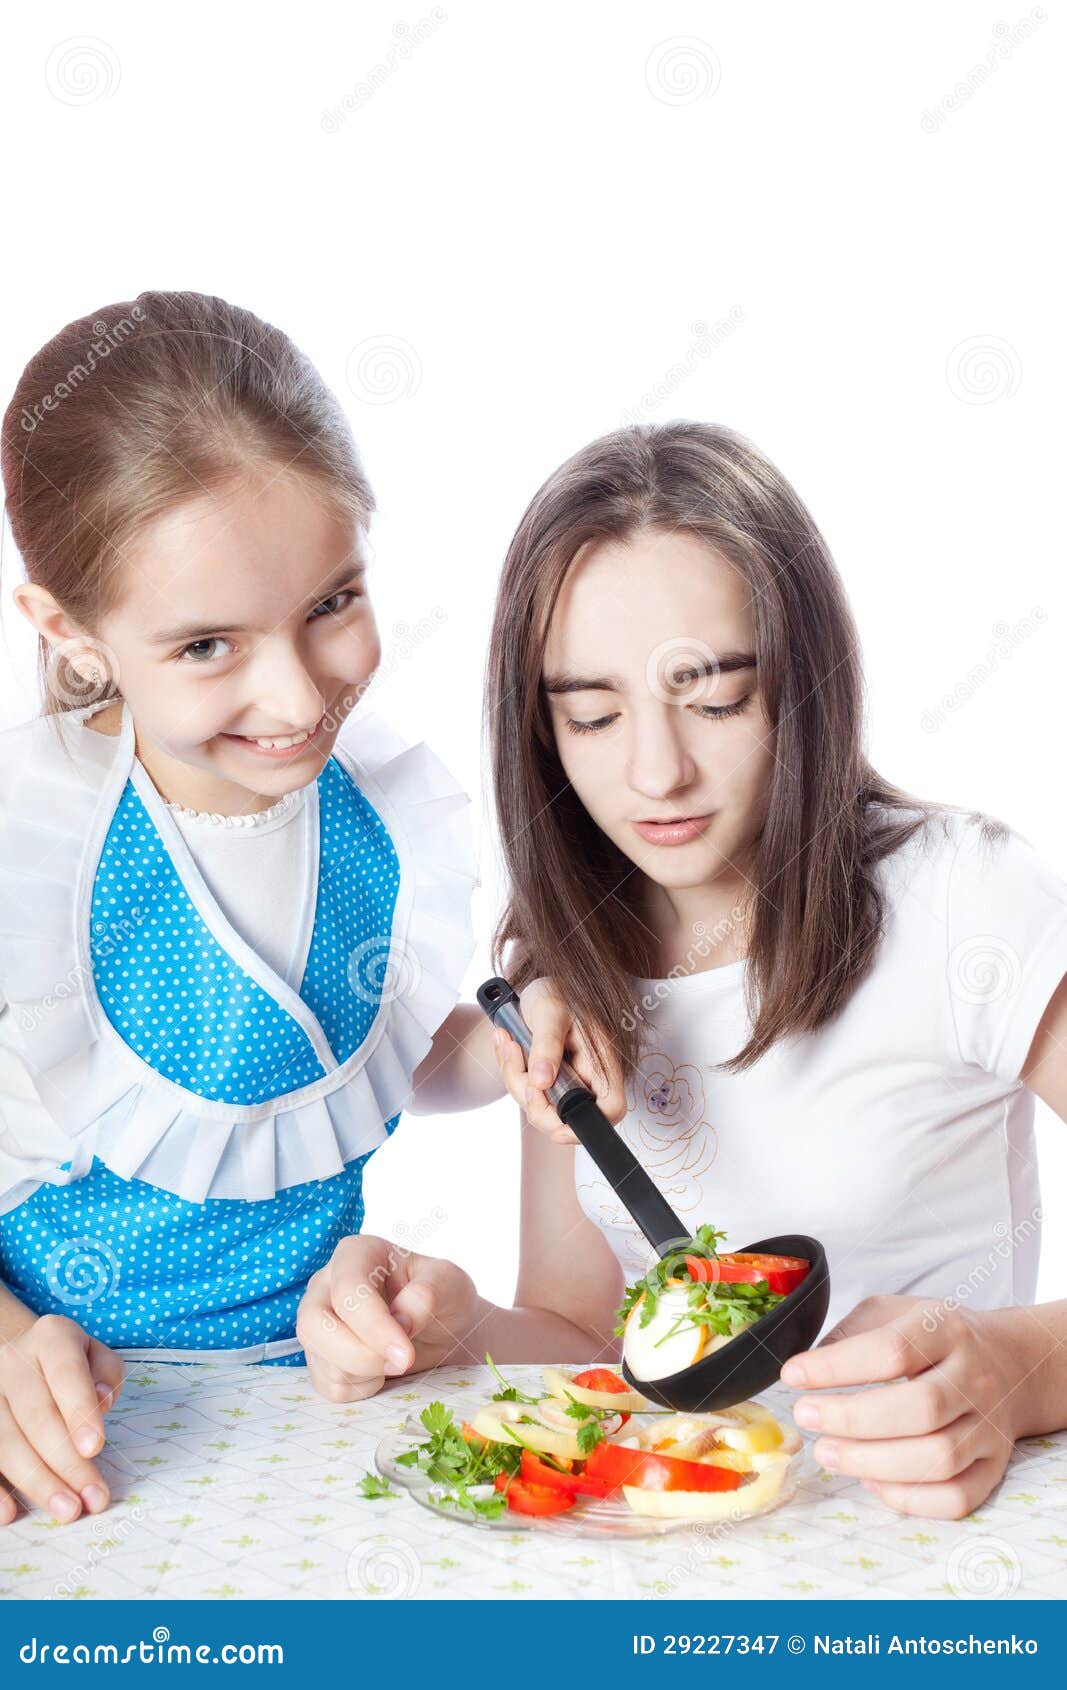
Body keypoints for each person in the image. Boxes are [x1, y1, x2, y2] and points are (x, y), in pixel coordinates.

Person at [333, 421, 1067, 1521]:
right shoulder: (571, 966)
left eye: (714, 698)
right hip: (691, 1560)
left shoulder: (960, 899)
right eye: (590, 714)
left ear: (803, 683)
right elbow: (588, 1336)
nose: (653, 771)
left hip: (934, 1557)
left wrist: (1023, 1370)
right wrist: (456, 1325)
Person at [0, 290, 612, 1529]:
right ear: (70, 632)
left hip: (328, 1408)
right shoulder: (34, 853)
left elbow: (366, 1044)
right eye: (207, 646)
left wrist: (512, 1044)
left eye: (332, 602)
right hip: (73, 1433)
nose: (295, 696)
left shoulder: (376, 820)